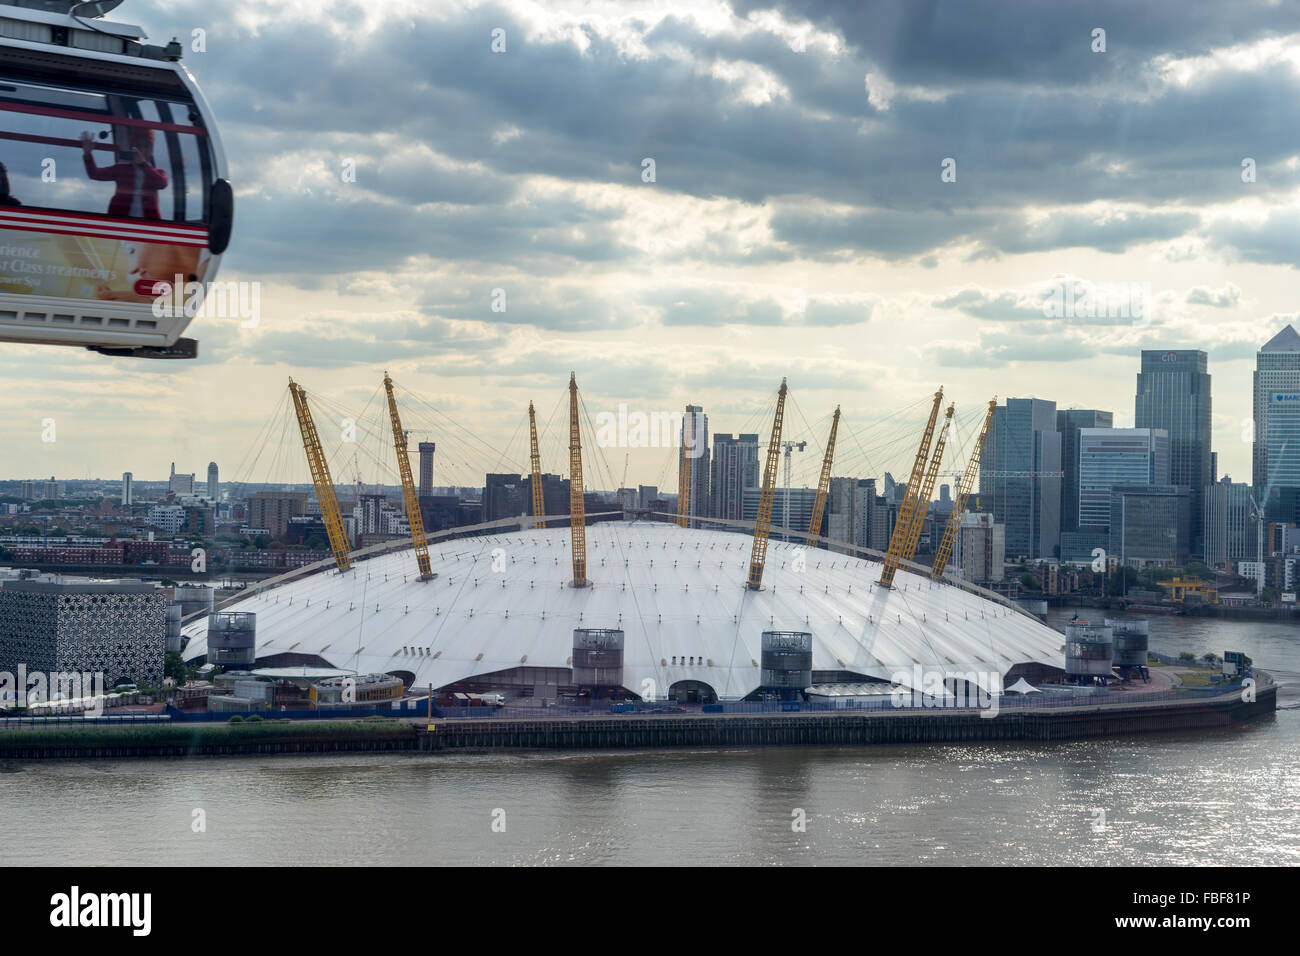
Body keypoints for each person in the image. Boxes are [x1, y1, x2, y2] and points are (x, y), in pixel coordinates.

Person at [80, 125, 167, 219]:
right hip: (120, 221)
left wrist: (143, 165)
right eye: (138, 145)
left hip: (148, 225)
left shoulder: (159, 172)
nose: (142, 150)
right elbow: (95, 174)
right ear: (132, 148)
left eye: (146, 146)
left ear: (151, 150)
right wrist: (87, 154)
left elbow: (161, 183)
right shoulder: (121, 169)